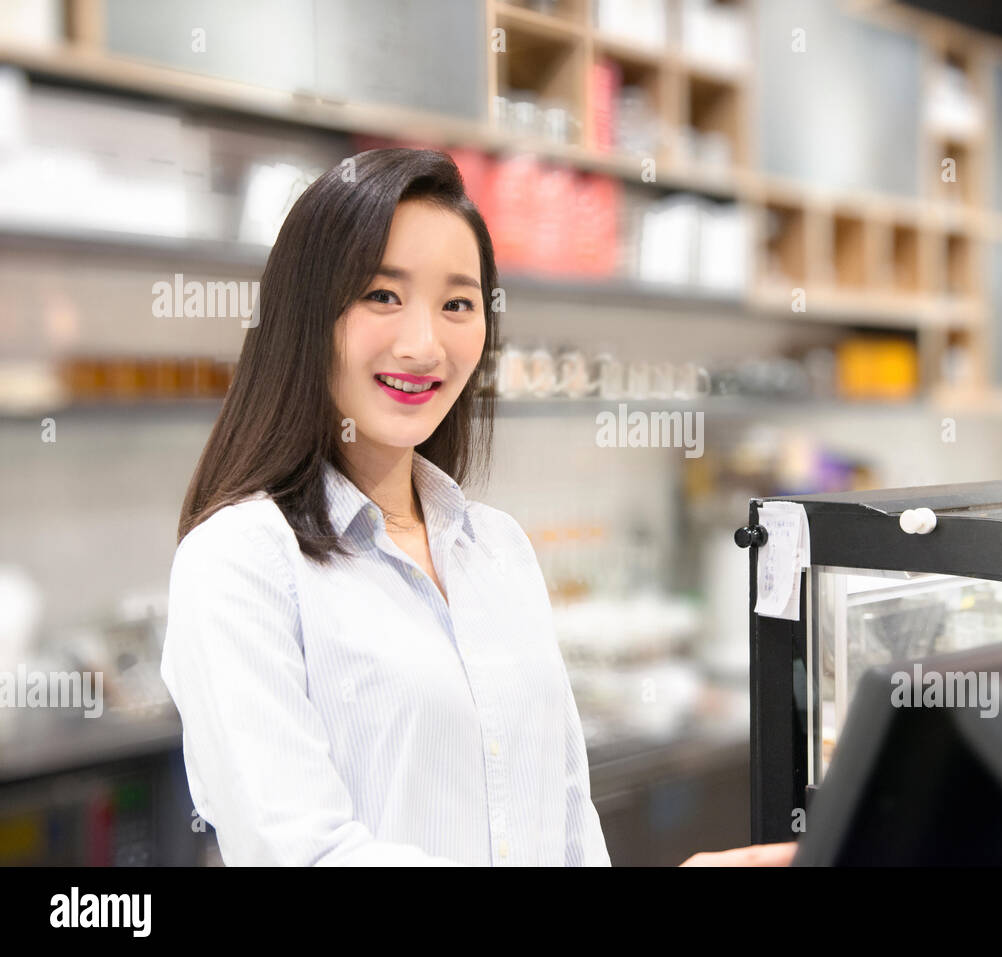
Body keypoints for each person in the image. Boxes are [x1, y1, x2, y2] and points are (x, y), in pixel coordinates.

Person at [161, 147, 796, 867]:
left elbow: (567, 823)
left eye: (458, 304)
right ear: (305, 313)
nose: (424, 344)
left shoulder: (497, 547)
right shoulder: (239, 561)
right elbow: (307, 856)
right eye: (382, 294)